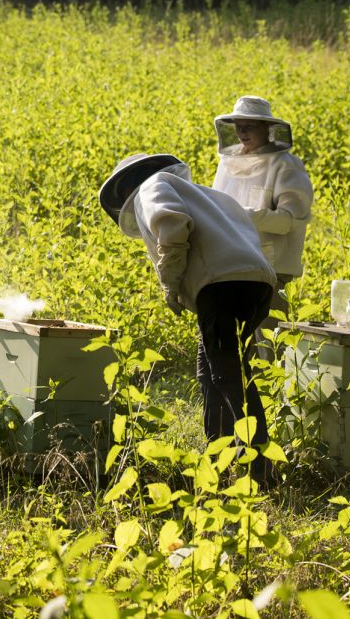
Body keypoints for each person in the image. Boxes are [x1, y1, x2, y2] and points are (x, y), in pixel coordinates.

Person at [100, 153, 278, 466]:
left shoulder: (152, 187)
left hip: (221, 286)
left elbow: (171, 227)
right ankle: (218, 459)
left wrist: (170, 284)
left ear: (129, 185)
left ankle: (258, 467)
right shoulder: (209, 196)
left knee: (229, 373)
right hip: (257, 284)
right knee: (209, 371)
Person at [210, 96, 313, 313]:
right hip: (230, 267)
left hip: (271, 270)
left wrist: (242, 215)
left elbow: (290, 220)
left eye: (249, 127)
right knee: (237, 342)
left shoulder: (286, 165)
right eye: (238, 127)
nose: (242, 133)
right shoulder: (227, 163)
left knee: (268, 341)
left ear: (268, 128)